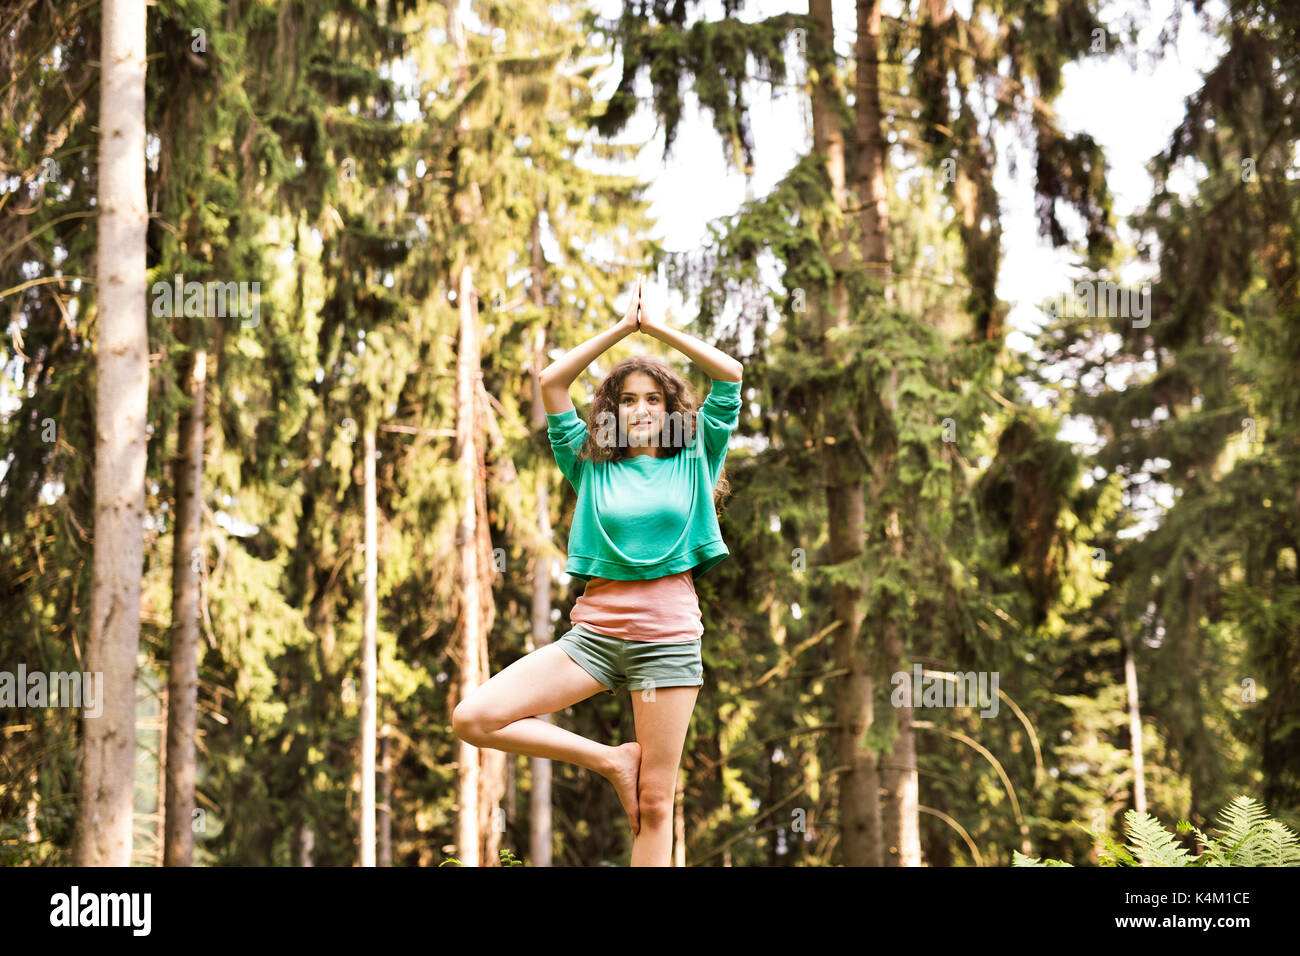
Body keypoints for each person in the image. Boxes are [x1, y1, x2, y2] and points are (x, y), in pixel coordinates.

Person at [452, 274, 745, 866]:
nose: (641, 409)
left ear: (672, 410)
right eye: (628, 399)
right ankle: (611, 760)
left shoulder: (696, 454)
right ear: (610, 412)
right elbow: (551, 382)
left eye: (654, 398)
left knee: (655, 804)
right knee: (473, 718)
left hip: (667, 641)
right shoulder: (587, 462)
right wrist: (620, 330)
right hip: (593, 638)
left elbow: (730, 374)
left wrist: (655, 328)